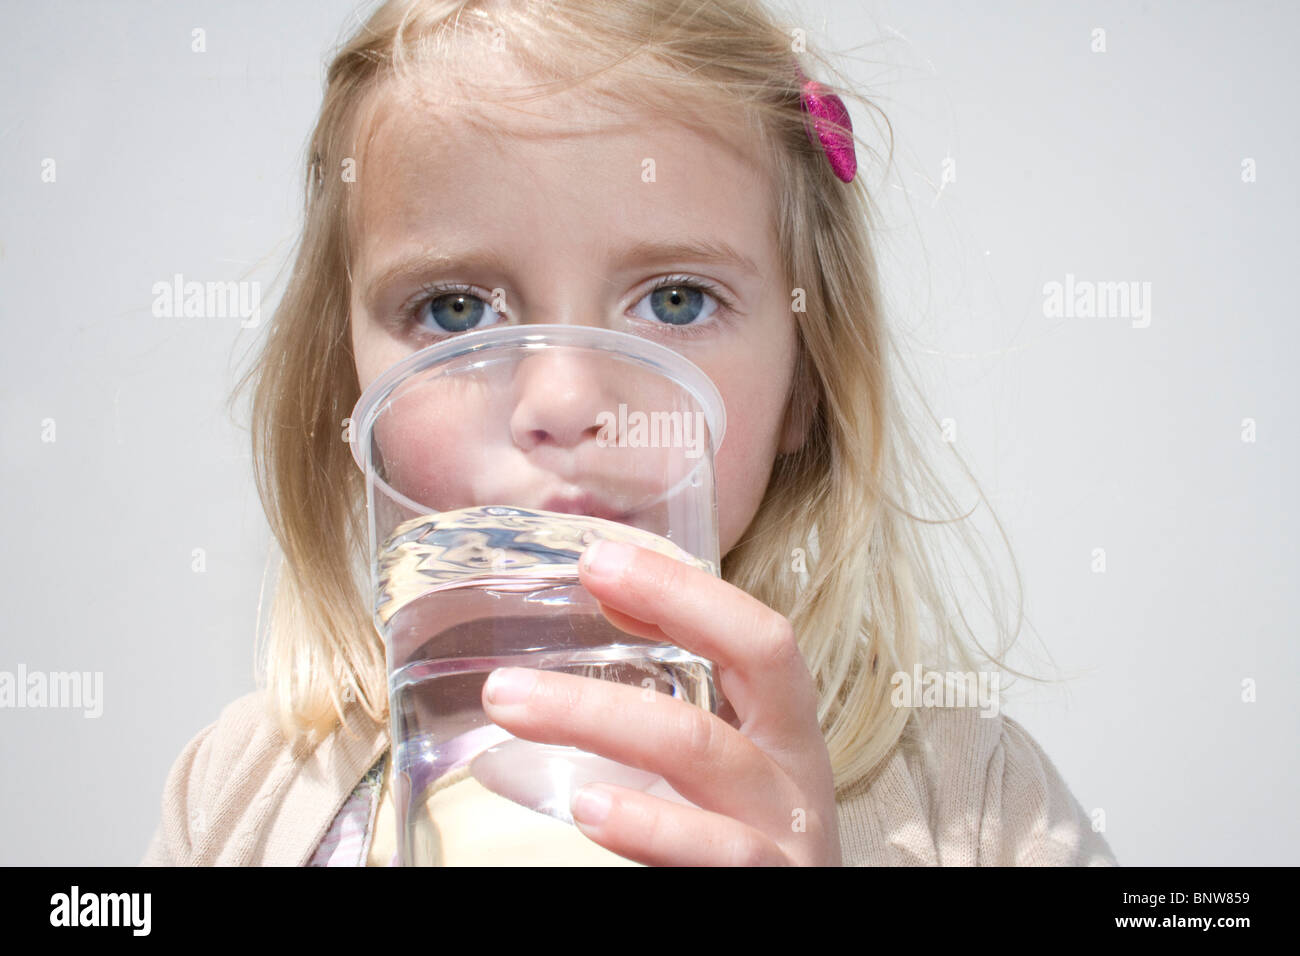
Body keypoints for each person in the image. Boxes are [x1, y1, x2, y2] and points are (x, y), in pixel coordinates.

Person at [141, 0, 1117, 866]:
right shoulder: (241, 797)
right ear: (348, 391)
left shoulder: (976, 806)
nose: (563, 399)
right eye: (453, 311)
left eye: (677, 298)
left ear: (804, 386)